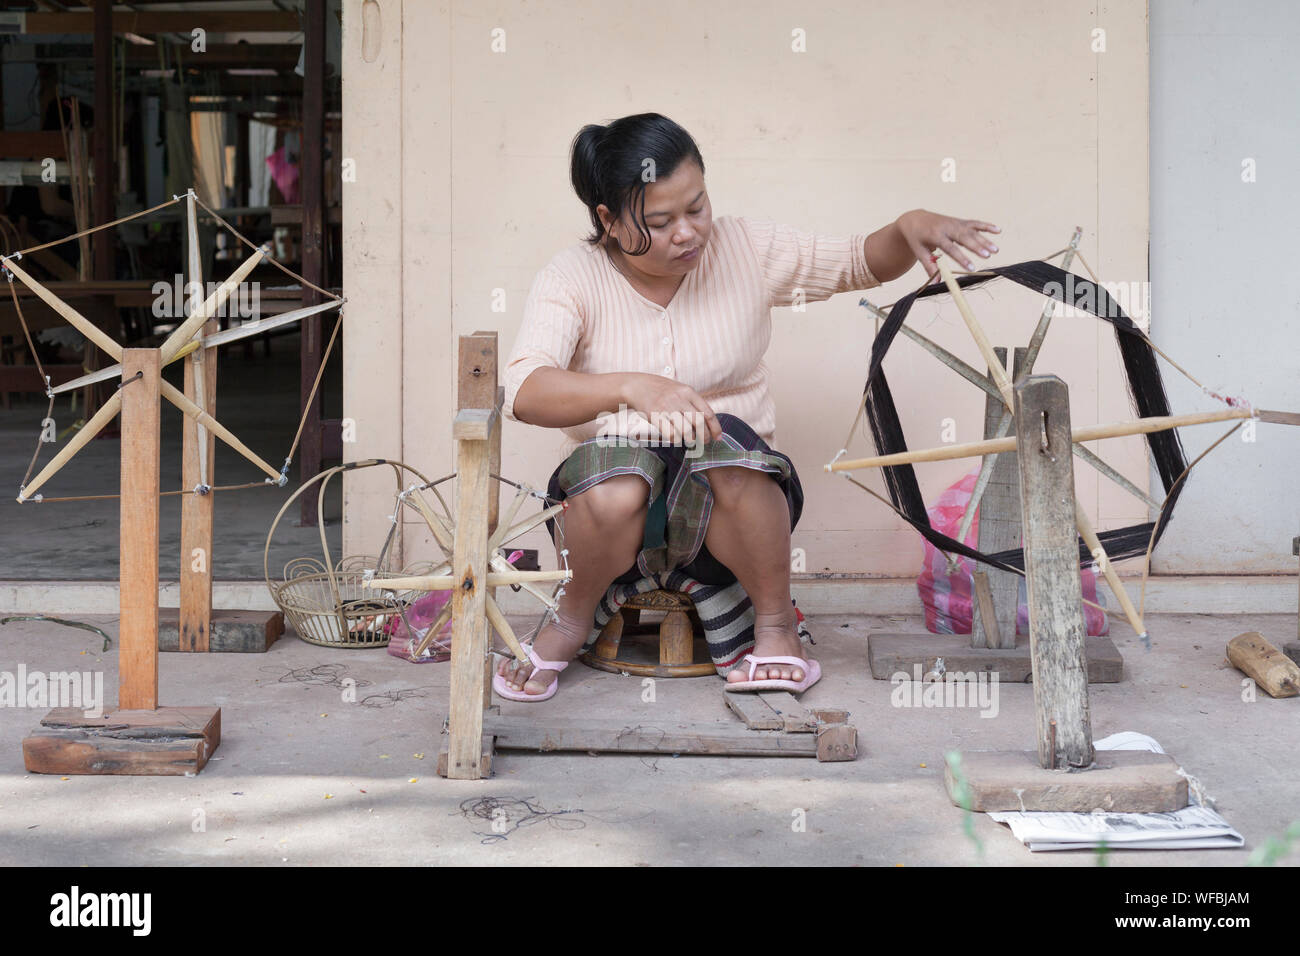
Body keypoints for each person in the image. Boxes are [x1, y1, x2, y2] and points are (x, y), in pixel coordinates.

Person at [497, 112, 999, 700]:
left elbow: (857, 261)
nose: (687, 232)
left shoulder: (744, 248)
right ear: (607, 220)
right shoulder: (573, 276)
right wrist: (631, 386)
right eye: (660, 222)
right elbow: (527, 392)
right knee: (616, 478)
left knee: (728, 448)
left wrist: (908, 226)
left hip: (727, 521)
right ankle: (569, 619)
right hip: (611, 533)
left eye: (697, 207)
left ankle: (775, 625)